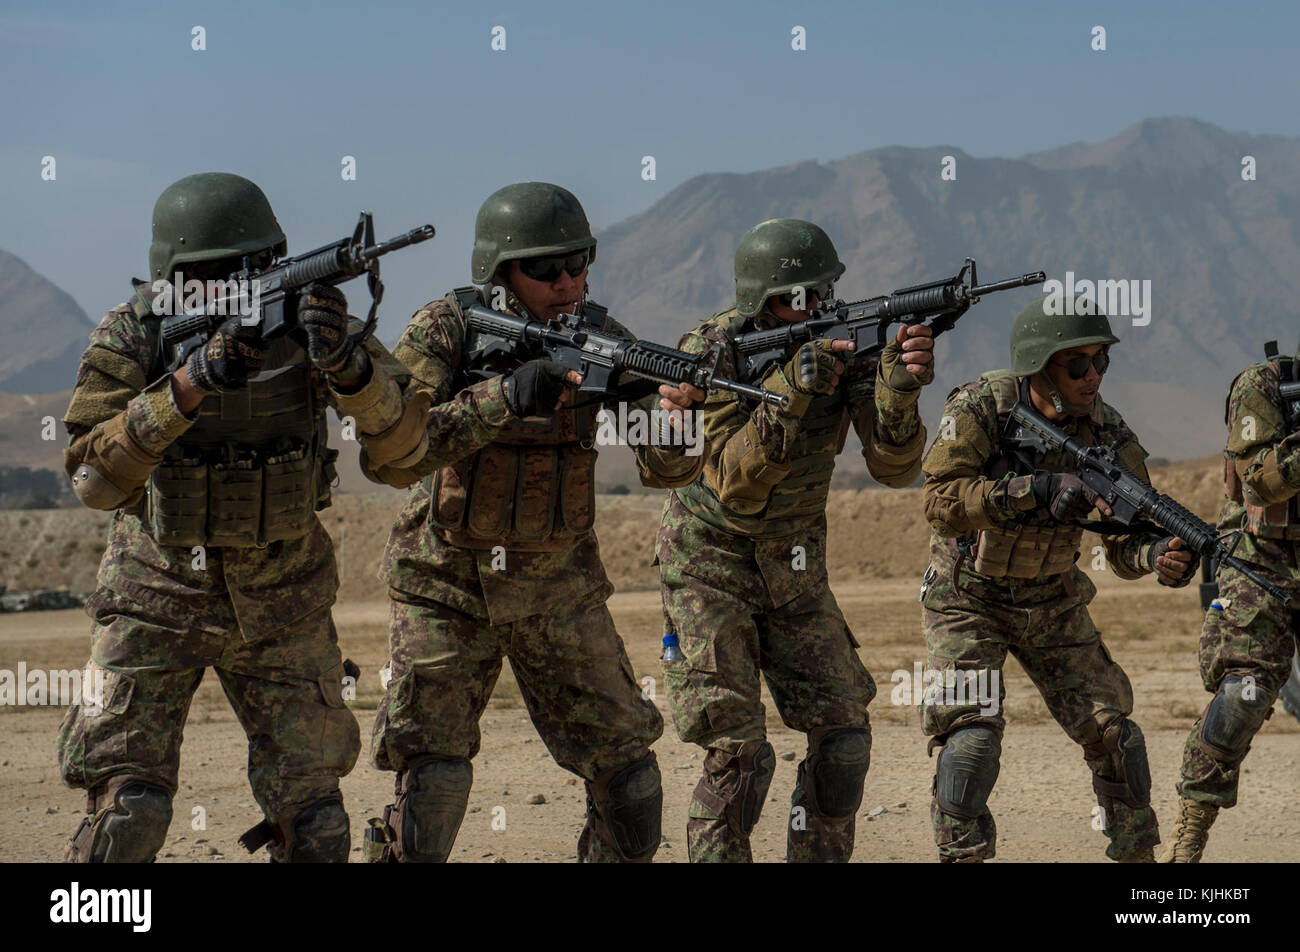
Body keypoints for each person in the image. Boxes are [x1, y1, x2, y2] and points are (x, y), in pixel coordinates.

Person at [58, 172, 431, 862]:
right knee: (128, 814)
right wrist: (189, 384)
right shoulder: (136, 332)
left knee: (316, 821)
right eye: (215, 273)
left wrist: (350, 368)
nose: (238, 282)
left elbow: (405, 455)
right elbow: (91, 480)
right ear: (174, 279)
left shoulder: (315, 328)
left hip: (284, 597)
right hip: (156, 596)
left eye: (253, 265)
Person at [366, 182, 704, 863]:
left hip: (559, 589)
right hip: (445, 585)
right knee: (434, 781)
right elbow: (392, 454)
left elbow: (665, 468)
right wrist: (503, 397)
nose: (567, 281)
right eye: (546, 268)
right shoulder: (447, 329)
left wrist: (679, 419)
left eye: (579, 262)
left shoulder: (603, 339)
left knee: (631, 784)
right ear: (500, 270)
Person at [658, 218, 935, 862]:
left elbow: (894, 468)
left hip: (795, 567)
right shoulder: (716, 351)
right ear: (761, 303)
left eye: (825, 292)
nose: (817, 308)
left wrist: (899, 388)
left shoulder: (844, 345)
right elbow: (735, 487)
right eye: (799, 298)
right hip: (708, 567)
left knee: (844, 742)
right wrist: (791, 389)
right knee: (739, 757)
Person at [919, 298, 1197, 862]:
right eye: (1077, 364)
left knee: (1117, 739)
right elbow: (940, 501)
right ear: (1039, 366)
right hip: (968, 597)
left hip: (1053, 596)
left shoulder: (1108, 432)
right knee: (971, 744)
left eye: (1101, 362)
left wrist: (1156, 557)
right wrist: (1034, 491)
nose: (1093, 376)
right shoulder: (982, 408)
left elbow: (1124, 541)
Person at [1160, 335, 1300, 862]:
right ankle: (1190, 833)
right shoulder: (1264, 386)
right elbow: (1259, 482)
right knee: (1243, 696)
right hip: (1261, 559)